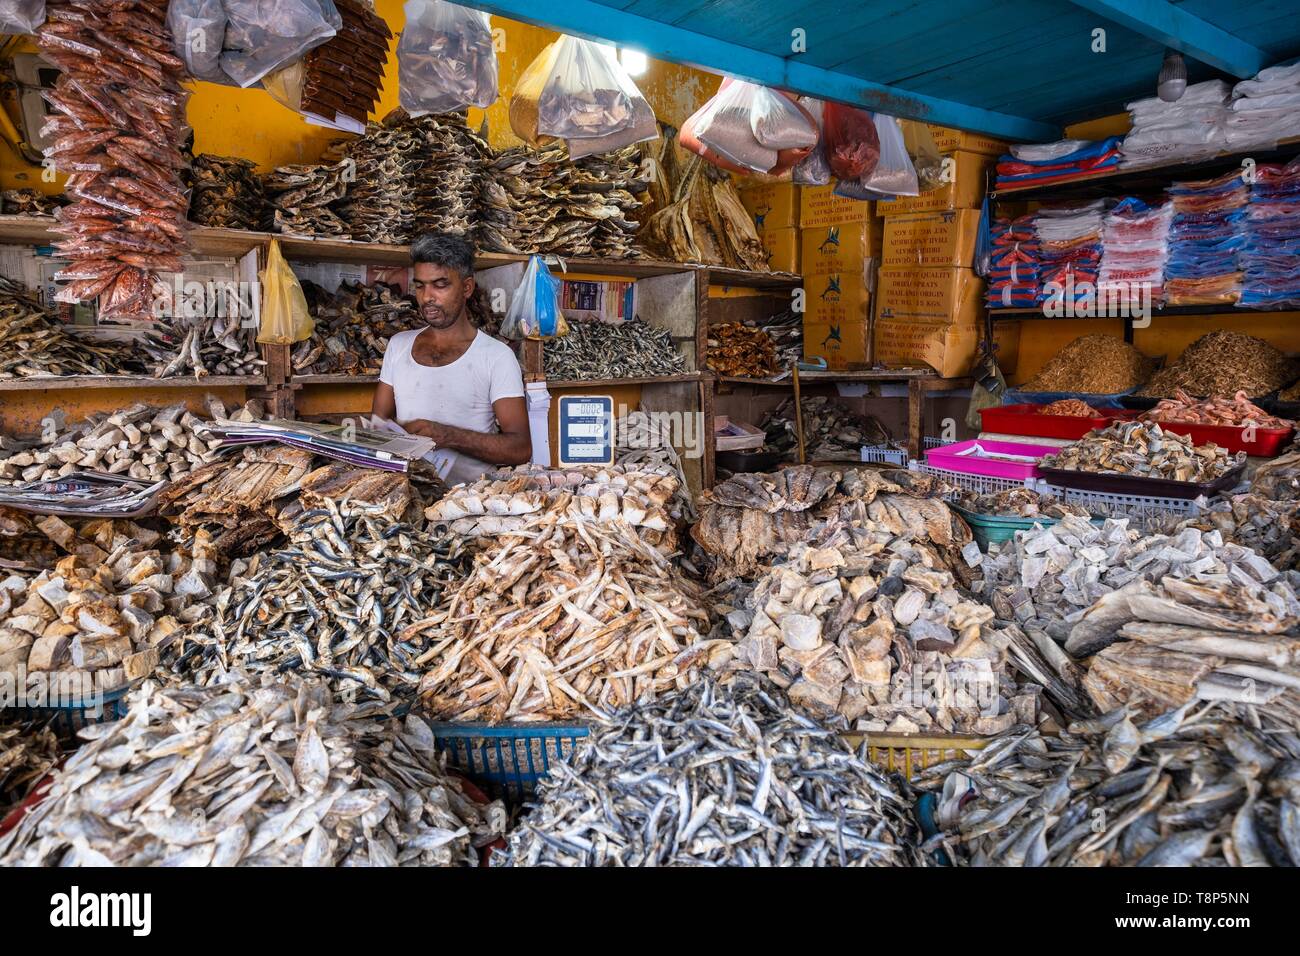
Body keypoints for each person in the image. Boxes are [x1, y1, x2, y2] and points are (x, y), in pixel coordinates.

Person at [372, 233, 531, 484]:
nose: (427, 297)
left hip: (469, 503)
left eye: (440, 284)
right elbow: (378, 424)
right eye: (420, 285)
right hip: (407, 491)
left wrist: (447, 436)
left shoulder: (497, 357)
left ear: (467, 287)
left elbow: (520, 448)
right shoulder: (398, 346)